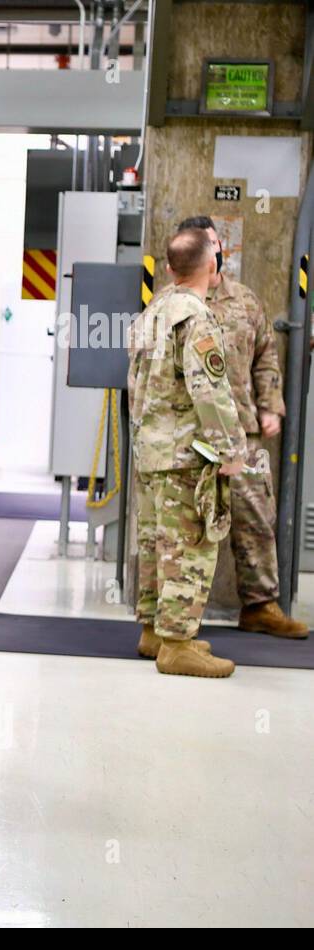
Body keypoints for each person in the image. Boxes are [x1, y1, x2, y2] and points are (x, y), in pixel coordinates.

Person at [176, 215, 307, 639]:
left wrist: (271, 405)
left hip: (244, 434)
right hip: (191, 436)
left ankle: (260, 607)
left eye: (218, 244)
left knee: (256, 519)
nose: (216, 253)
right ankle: (178, 616)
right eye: (207, 245)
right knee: (185, 523)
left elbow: (267, 354)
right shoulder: (174, 303)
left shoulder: (245, 301)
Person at [128, 227, 248, 677]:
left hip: (152, 450)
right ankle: (178, 644)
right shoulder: (194, 317)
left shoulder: (153, 312)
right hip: (184, 454)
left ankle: (154, 632)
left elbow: (136, 387)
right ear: (212, 264)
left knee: (157, 543)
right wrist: (231, 450)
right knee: (190, 546)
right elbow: (209, 390)